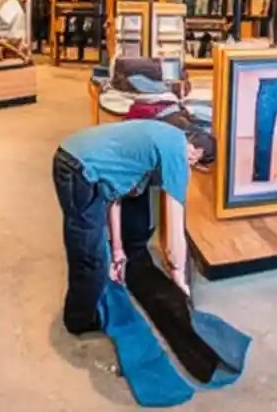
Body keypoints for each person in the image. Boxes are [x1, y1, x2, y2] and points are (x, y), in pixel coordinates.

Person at [53, 118, 201, 335]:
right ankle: (80, 320)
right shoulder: (177, 150)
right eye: (193, 163)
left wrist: (118, 251)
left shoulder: (153, 143)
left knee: (93, 246)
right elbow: (174, 227)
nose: (189, 167)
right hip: (76, 169)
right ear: (195, 153)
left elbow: (115, 198)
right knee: (90, 255)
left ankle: (83, 309)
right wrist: (178, 278)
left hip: (74, 157)